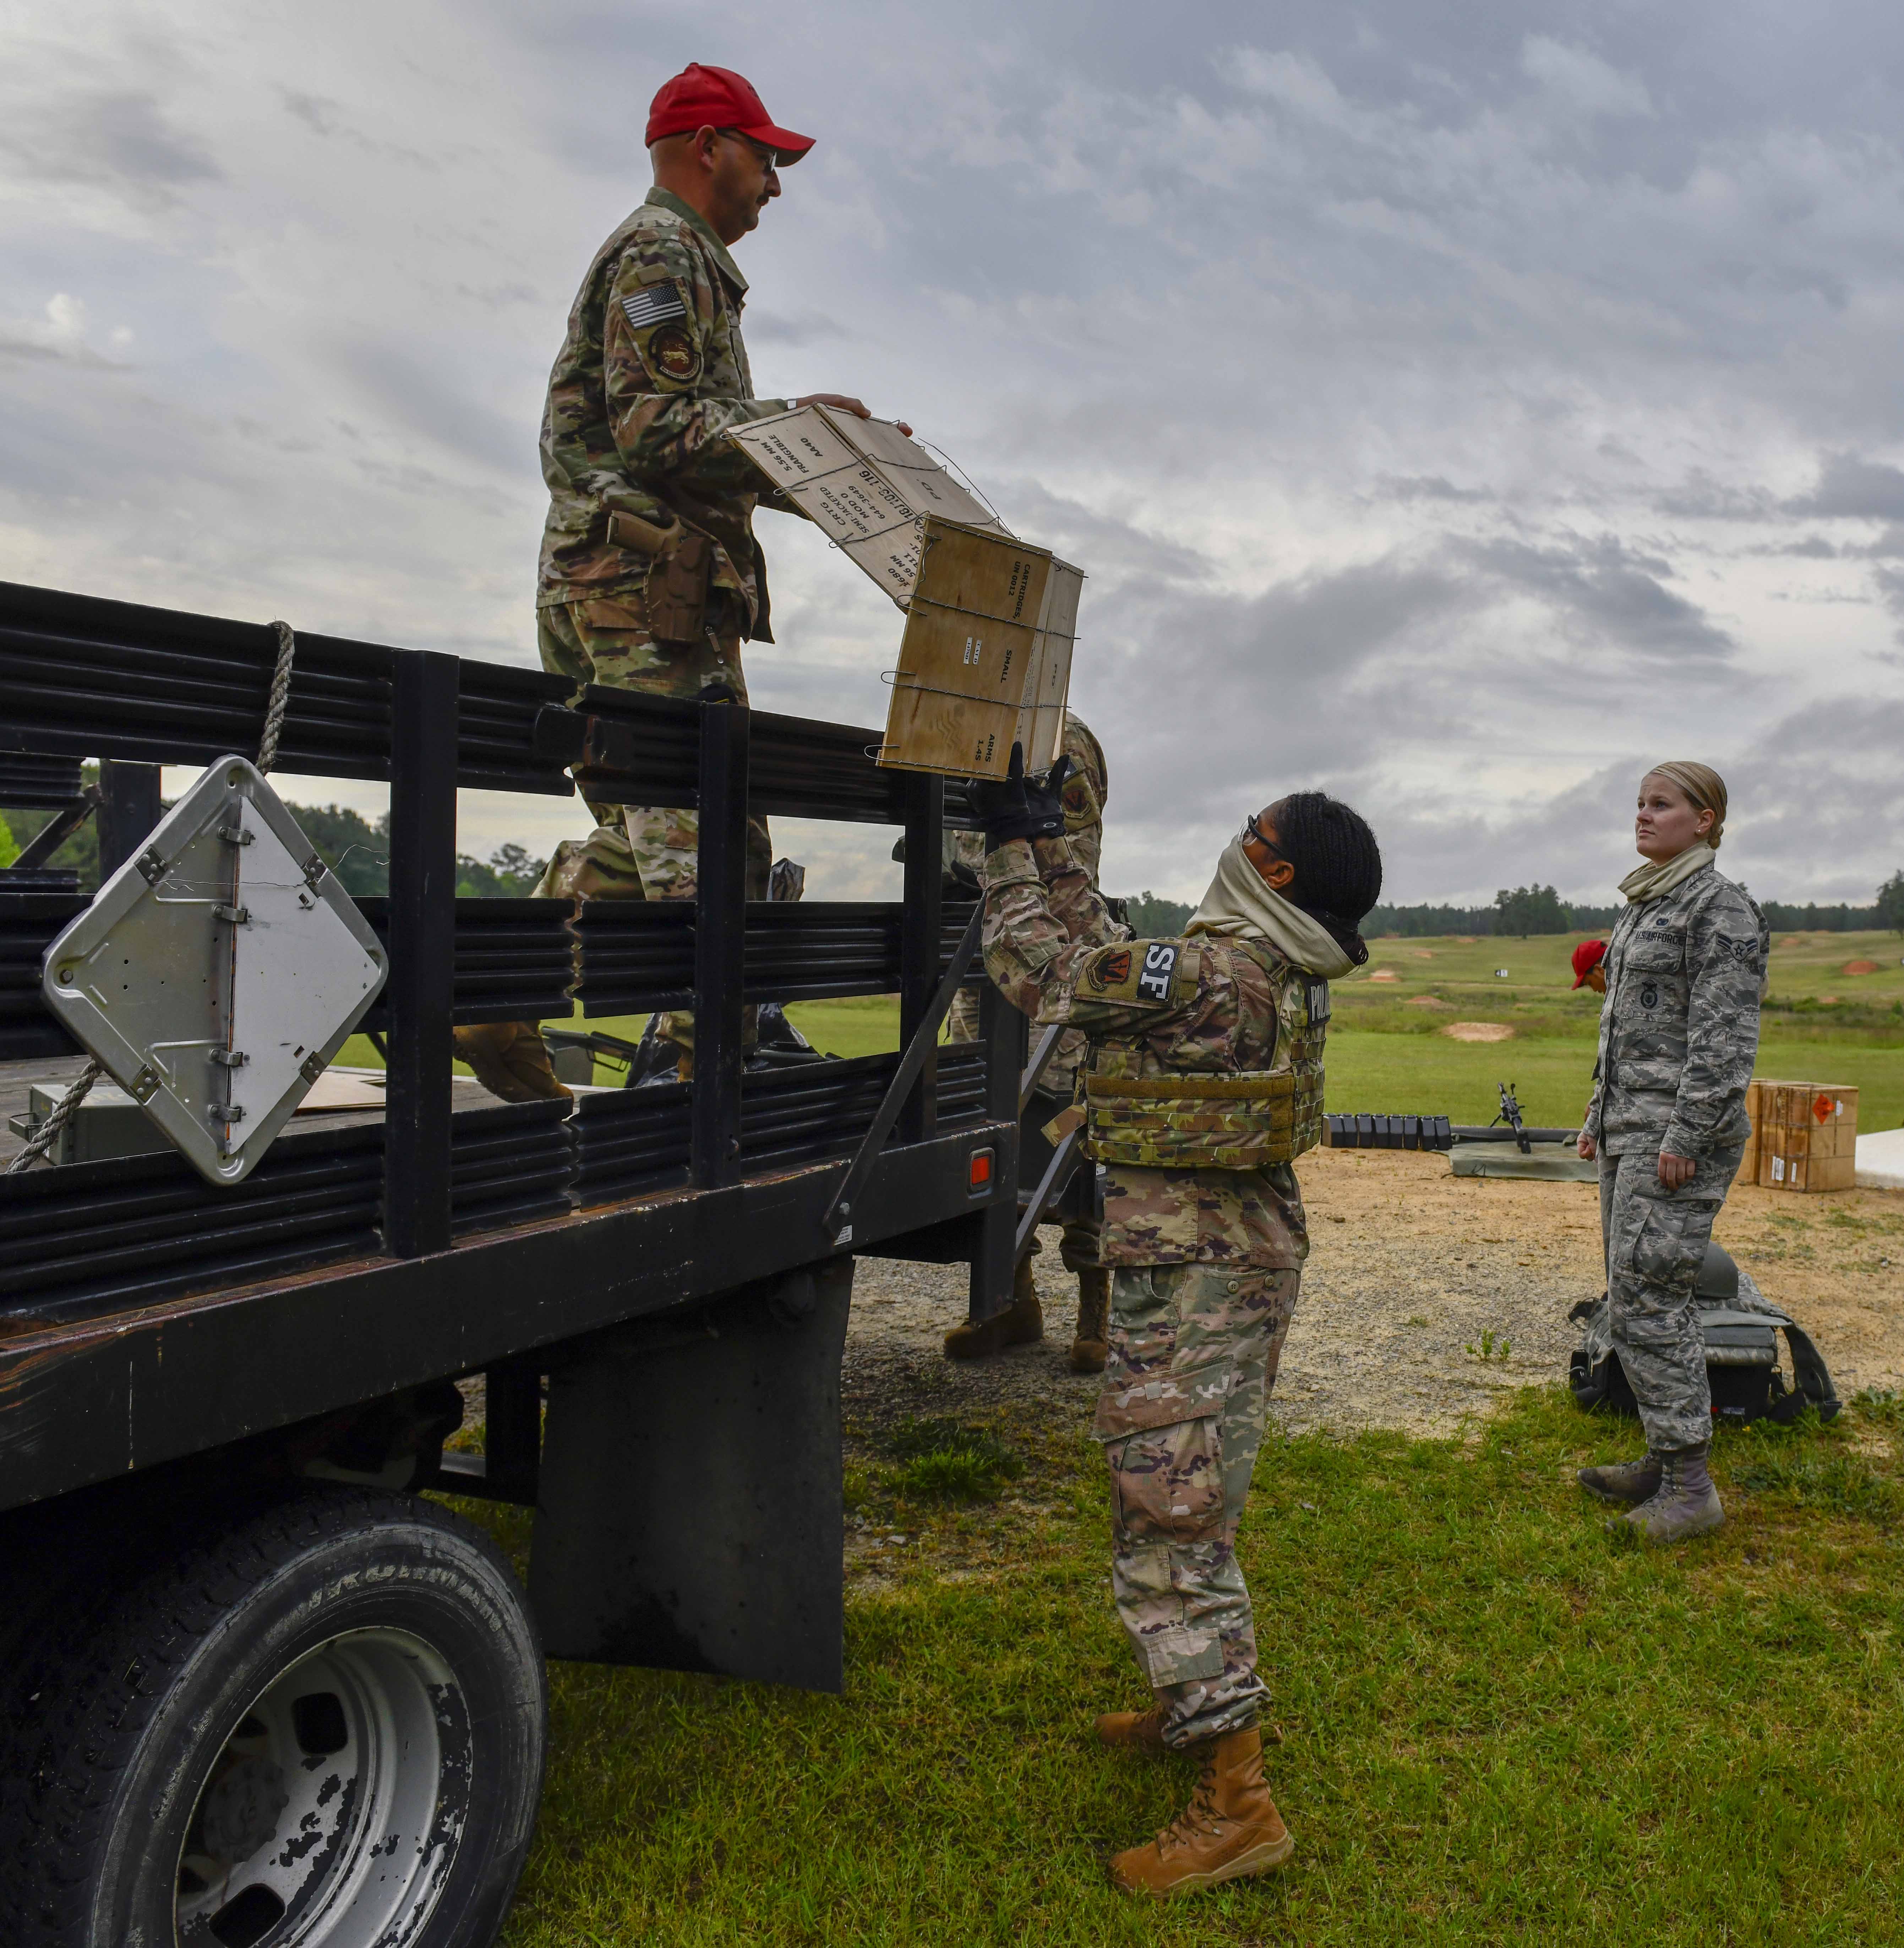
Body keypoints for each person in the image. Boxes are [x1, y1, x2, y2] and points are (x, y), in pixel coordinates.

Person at [971, 758, 1381, 1899]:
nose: (1234, 833)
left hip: (1192, 1271)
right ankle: (1187, 1702)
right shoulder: (1264, 966)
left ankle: (1236, 1802)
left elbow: (1041, 966)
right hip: (1236, 1257)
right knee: (1191, 1488)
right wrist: (1051, 838)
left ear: (1276, 867)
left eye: (1252, 828)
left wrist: (1003, 846)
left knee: (1171, 1516)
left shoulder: (1205, 973)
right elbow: (1107, 943)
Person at [458, 63, 908, 1098]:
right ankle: (707, 1083)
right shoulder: (664, 252)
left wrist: (830, 464)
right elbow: (656, 430)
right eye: (766, 158)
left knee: (676, 837)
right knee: (706, 849)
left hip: (640, 587)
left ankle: (496, 990)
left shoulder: (683, 261)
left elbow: (697, 443)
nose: (776, 185)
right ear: (708, 146)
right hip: (637, 588)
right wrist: (799, 431)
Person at [1571, 763, 1767, 1543]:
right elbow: (1623, 1029)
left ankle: (1692, 1489)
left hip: (1676, 1140)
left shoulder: (1721, 910)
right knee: (1632, 1291)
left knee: (1651, 1294)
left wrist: (1686, 1136)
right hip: (1630, 1128)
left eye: (1662, 805)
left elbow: (1722, 1044)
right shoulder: (1647, 901)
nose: (1643, 817)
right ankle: (1663, 1454)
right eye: (1640, 804)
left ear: (1706, 820)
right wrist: (1597, 1113)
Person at [941, 710, 1123, 1369]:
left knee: (1070, 1129)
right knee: (989, 1127)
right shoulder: (946, 722)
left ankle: (1093, 1311)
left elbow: (1069, 857)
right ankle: (1007, 1300)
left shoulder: (1057, 737)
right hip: (976, 953)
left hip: (1048, 946)